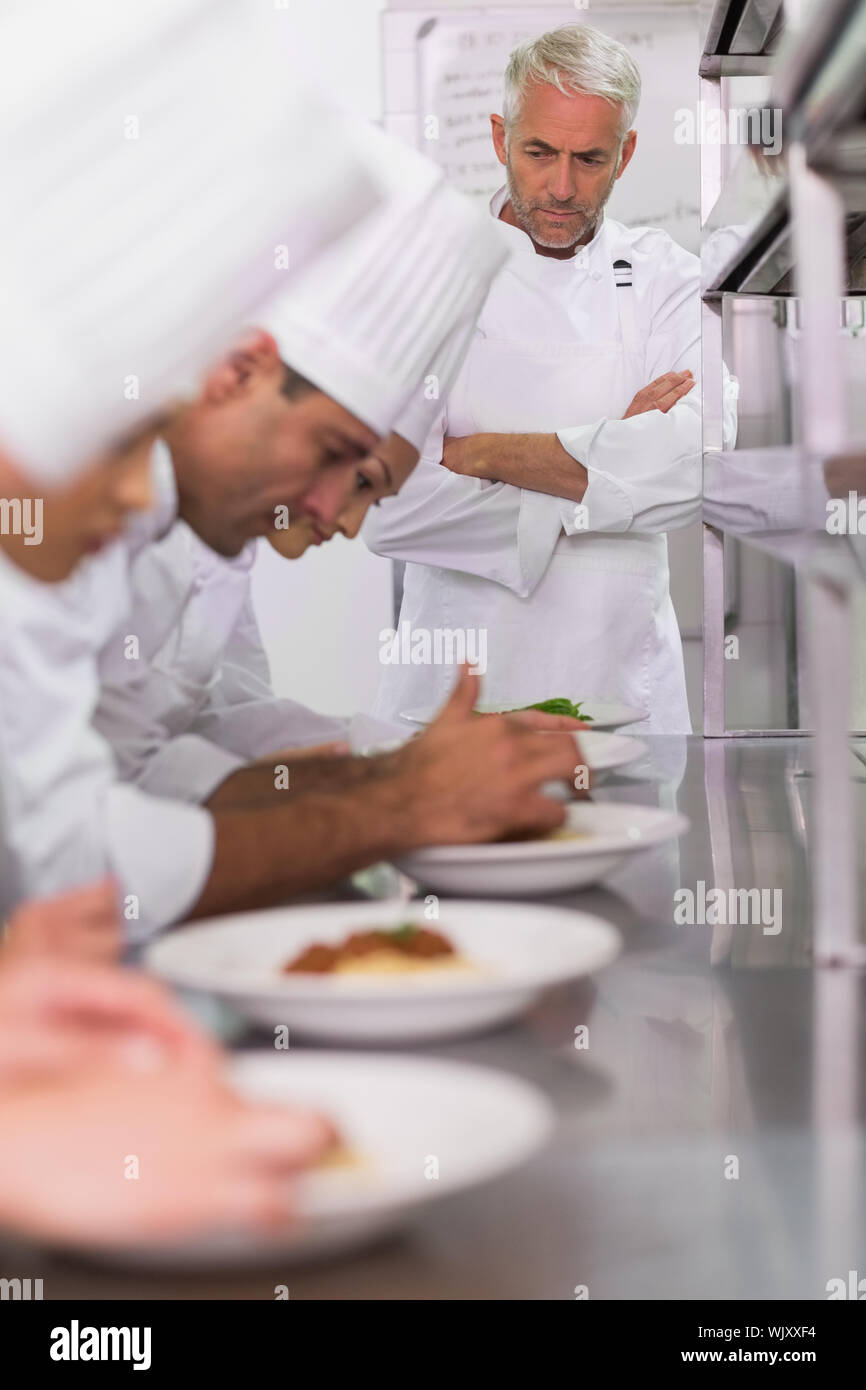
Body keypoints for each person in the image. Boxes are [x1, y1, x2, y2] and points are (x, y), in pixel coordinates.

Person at [364, 23, 736, 734]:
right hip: (453, 704)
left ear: (625, 153)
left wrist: (482, 454)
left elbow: (703, 464)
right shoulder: (428, 274)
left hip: (624, 702)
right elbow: (389, 507)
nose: (562, 187)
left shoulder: (665, 279)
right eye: (539, 152)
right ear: (501, 135)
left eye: (590, 159)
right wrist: (613, 468)